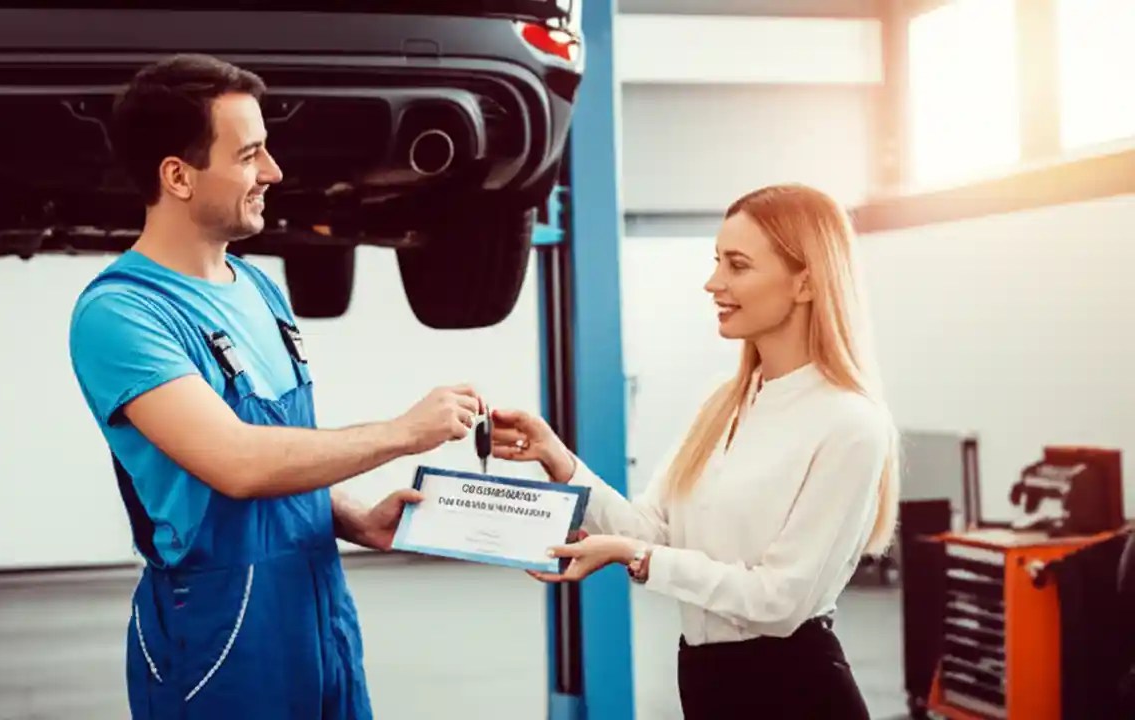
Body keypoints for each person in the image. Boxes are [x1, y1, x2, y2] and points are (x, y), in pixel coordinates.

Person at [67, 54, 483, 719]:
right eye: (250, 154)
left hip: (316, 608)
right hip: (221, 635)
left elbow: (285, 449)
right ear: (177, 175)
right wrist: (405, 432)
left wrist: (349, 515)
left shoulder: (258, 289)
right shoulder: (123, 314)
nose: (274, 172)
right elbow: (236, 462)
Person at [491, 183, 898, 719]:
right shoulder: (724, 404)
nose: (713, 283)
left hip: (793, 690)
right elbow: (652, 531)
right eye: (716, 262)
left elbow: (778, 603)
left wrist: (634, 557)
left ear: (805, 281)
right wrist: (558, 459)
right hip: (708, 681)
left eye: (738, 265)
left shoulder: (849, 424)